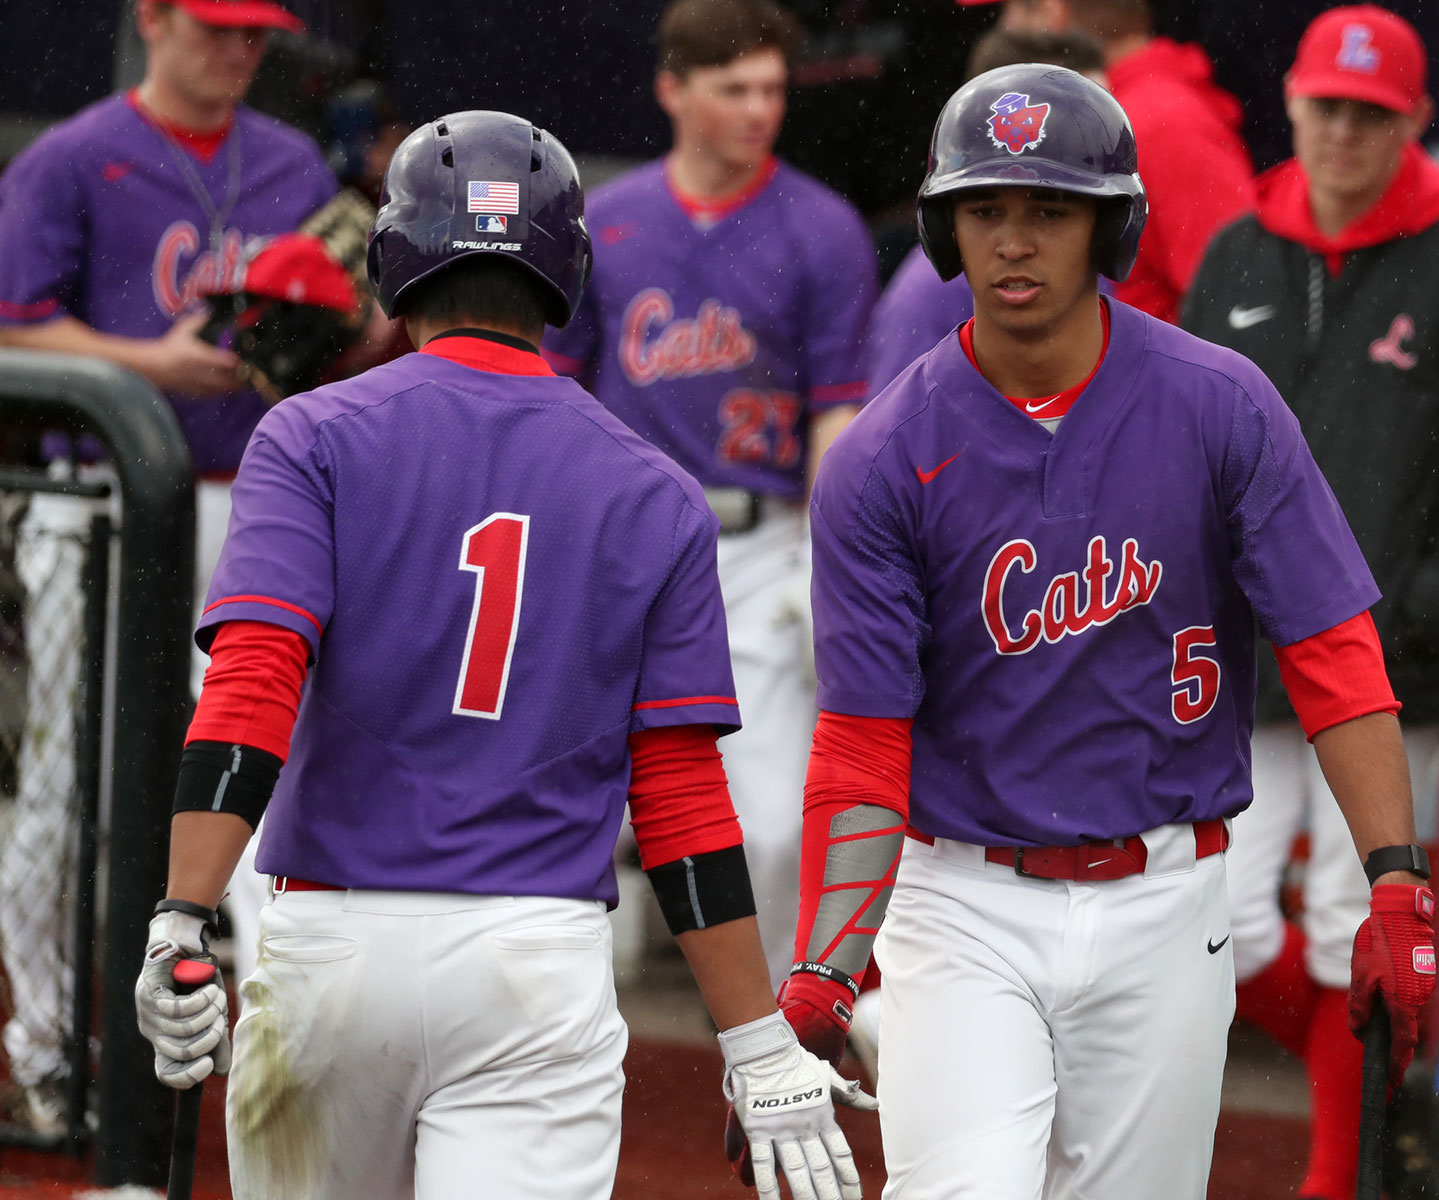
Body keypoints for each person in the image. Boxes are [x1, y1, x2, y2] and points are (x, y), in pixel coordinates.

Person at [130, 108, 872, 1200]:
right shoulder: (652, 486)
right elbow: (677, 795)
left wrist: (183, 911)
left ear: (396, 258)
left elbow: (252, 689)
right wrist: (754, 1037)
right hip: (535, 957)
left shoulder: (308, 436)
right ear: (564, 269)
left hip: (334, 943)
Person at [764, 64, 1436, 1199]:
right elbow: (865, 742)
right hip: (962, 895)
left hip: (1168, 900)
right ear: (945, 225)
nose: (1014, 242)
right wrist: (828, 968)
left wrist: (1397, 881)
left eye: (1048, 209)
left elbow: (1333, 651)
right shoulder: (883, 457)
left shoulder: (1219, 403)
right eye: (986, 209)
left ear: (1108, 225)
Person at [1181, 9, 1439, 1198]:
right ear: (1291, 106)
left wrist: (1418, 607)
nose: (1344, 132)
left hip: (1392, 664)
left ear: (1409, 122)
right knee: (1223, 925)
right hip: (1248, 660)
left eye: (1372, 112)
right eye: (1326, 107)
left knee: (1367, 916)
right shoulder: (1239, 249)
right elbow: (1190, 442)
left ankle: (1346, 1174)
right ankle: (1376, 1091)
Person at [0, 0, 338, 1135]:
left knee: (263, 771)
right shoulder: (75, 154)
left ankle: (267, 1055)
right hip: (98, 503)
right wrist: (149, 363)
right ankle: (44, 1050)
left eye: (256, 33)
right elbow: (10, 324)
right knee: (67, 785)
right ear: (152, 18)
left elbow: (347, 324)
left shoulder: (292, 161)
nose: (240, 49)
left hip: (259, 504)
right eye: (217, 26)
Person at [543, 0, 879, 985]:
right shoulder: (606, 219)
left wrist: (834, 560)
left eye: (773, 88)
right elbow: (553, 387)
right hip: (621, 543)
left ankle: (776, 1040)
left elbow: (837, 417)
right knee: (572, 810)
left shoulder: (822, 227)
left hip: (761, 538)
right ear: (673, 90)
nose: (760, 108)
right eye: (735, 88)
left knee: (773, 827)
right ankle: (552, 1024)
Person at [958, 0, 1255, 324]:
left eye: (1016, 7)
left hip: (1146, 371)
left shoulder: (1160, 122)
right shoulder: (1118, 114)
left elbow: (1245, 303)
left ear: (1051, 14)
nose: (1004, 26)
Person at [864, 26, 1106, 394]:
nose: (1109, 132)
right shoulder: (926, 297)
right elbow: (897, 435)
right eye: (1083, 114)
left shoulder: (1089, 246)